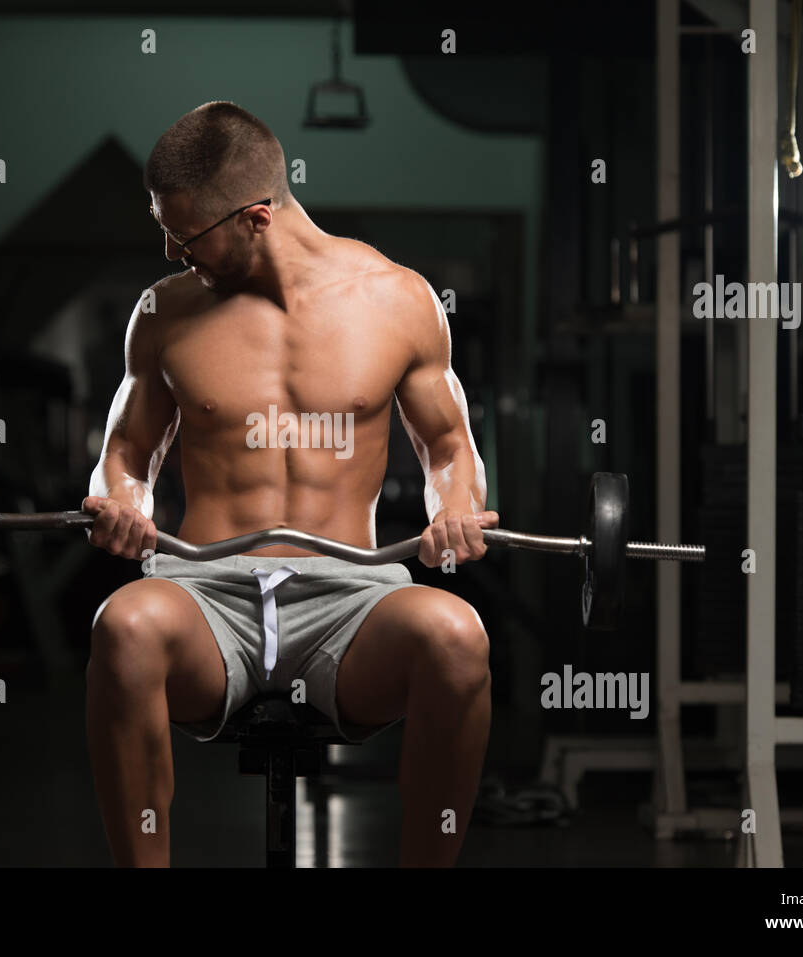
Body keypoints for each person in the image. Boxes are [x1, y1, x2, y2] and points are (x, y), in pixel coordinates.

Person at [85, 101, 497, 867]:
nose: (172, 251)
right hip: (204, 592)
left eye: (186, 234)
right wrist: (123, 503)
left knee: (456, 638)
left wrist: (456, 510)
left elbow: (448, 444)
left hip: (351, 595)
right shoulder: (163, 313)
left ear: (256, 217)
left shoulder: (399, 300)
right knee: (124, 626)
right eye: (163, 229)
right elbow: (128, 451)